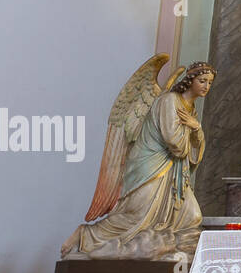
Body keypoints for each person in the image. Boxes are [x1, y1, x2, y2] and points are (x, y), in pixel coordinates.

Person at [63, 61, 213, 261]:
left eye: (209, 83)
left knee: (192, 217)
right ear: (190, 80)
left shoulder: (191, 109)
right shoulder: (169, 100)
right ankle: (85, 236)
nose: (206, 86)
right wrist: (193, 130)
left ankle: (172, 249)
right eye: (202, 81)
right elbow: (174, 142)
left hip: (174, 173)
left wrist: (197, 129)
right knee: (136, 215)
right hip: (151, 165)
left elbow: (192, 149)